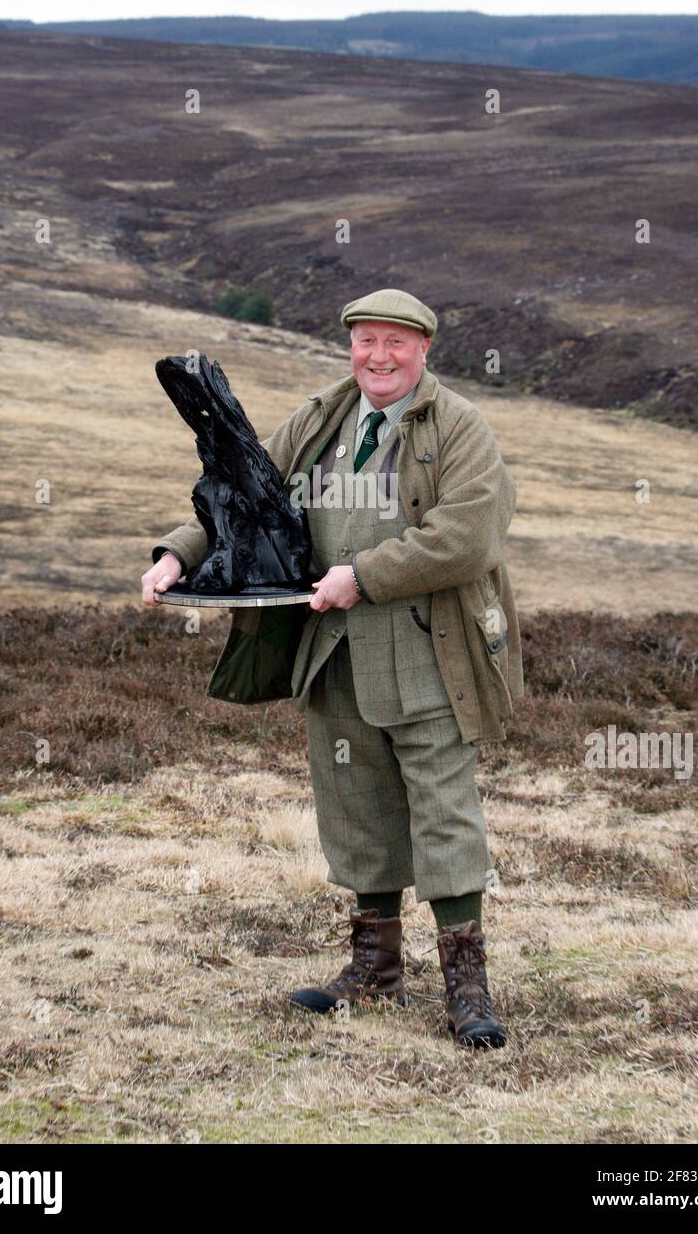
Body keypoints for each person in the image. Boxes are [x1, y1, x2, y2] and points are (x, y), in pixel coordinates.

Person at [141, 288, 522, 1048]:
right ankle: (374, 973)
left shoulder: (458, 427)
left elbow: (469, 535)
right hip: (333, 649)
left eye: (396, 343)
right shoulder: (319, 418)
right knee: (356, 805)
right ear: (350, 345)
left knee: (444, 810)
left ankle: (467, 988)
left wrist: (365, 576)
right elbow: (247, 493)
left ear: (425, 349)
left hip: (427, 651)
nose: (378, 357)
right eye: (365, 341)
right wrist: (176, 555)